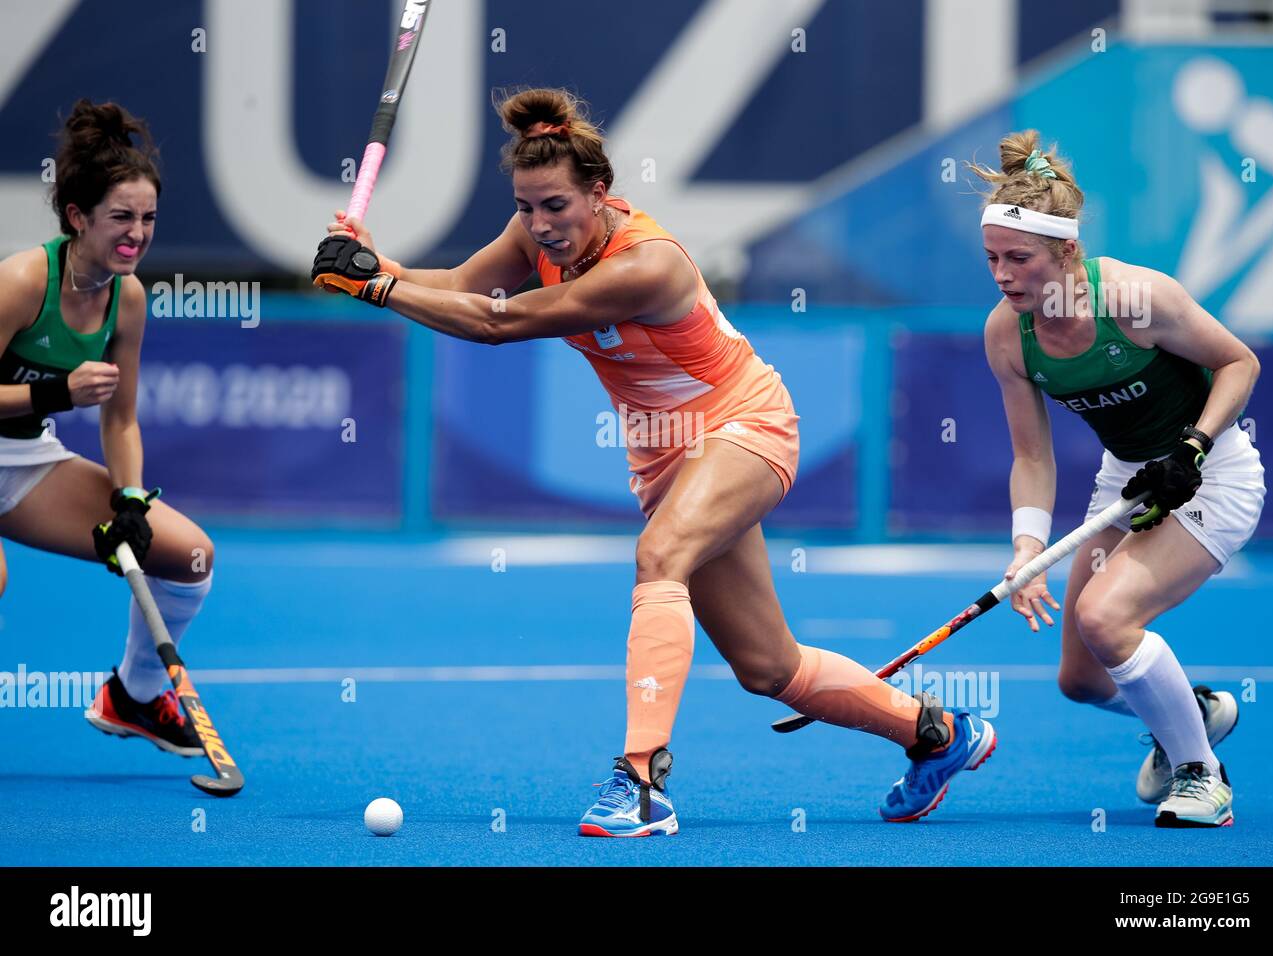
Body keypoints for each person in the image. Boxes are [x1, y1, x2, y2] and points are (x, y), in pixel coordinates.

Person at [312, 87, 997, 835]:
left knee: (659, 557)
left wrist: (377, 288)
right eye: (527, 208)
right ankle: (937, 734)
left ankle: (640, 784)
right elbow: (458, 290)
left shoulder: (649, 265)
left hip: (746, 426)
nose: (541, 228)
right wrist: (374, 262)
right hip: (666, 461)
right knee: (768, 668)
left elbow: (498, 324)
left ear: (599, 194)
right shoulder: (534, 235)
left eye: (556, 208)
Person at [975, 131, 1264, 827]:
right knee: (1081, 678)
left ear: (1067, 251)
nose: (1004, 276)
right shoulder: (1008, 335)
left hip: (1212, 475)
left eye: (1020, 258)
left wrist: (1193, 447)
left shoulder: (1137, 298)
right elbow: (1033, 458)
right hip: (1129, 485)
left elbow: (1240, 364)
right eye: (991, 259)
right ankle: (1189, 710)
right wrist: (1025, 548)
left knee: (1108, 617)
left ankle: (1201, 775)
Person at [0, 100, 215, 756]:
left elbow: (120, 418)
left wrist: (128, 499)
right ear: (77, 217)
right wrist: (59, 390)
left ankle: (137, 696)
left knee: (188, 556)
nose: (137, 234)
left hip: (24, 462)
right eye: (122, 217)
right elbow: (75, 395)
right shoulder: (20, 281)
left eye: (148, 218)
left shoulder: (128, 296)